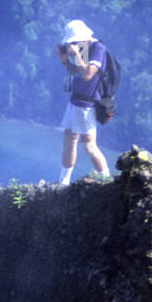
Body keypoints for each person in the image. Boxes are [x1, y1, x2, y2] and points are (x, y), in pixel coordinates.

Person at [54, 19, 110, 185]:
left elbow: (87, 74)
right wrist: (64, 59)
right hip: (75, 101)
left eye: (74, 42)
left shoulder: (98, 49)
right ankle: (63, 181)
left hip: (87, 105)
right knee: (69, 140)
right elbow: (76, 71)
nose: (73, 45)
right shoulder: (84, 47)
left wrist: (76, 55)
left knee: (89, 146)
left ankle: (106, 178)